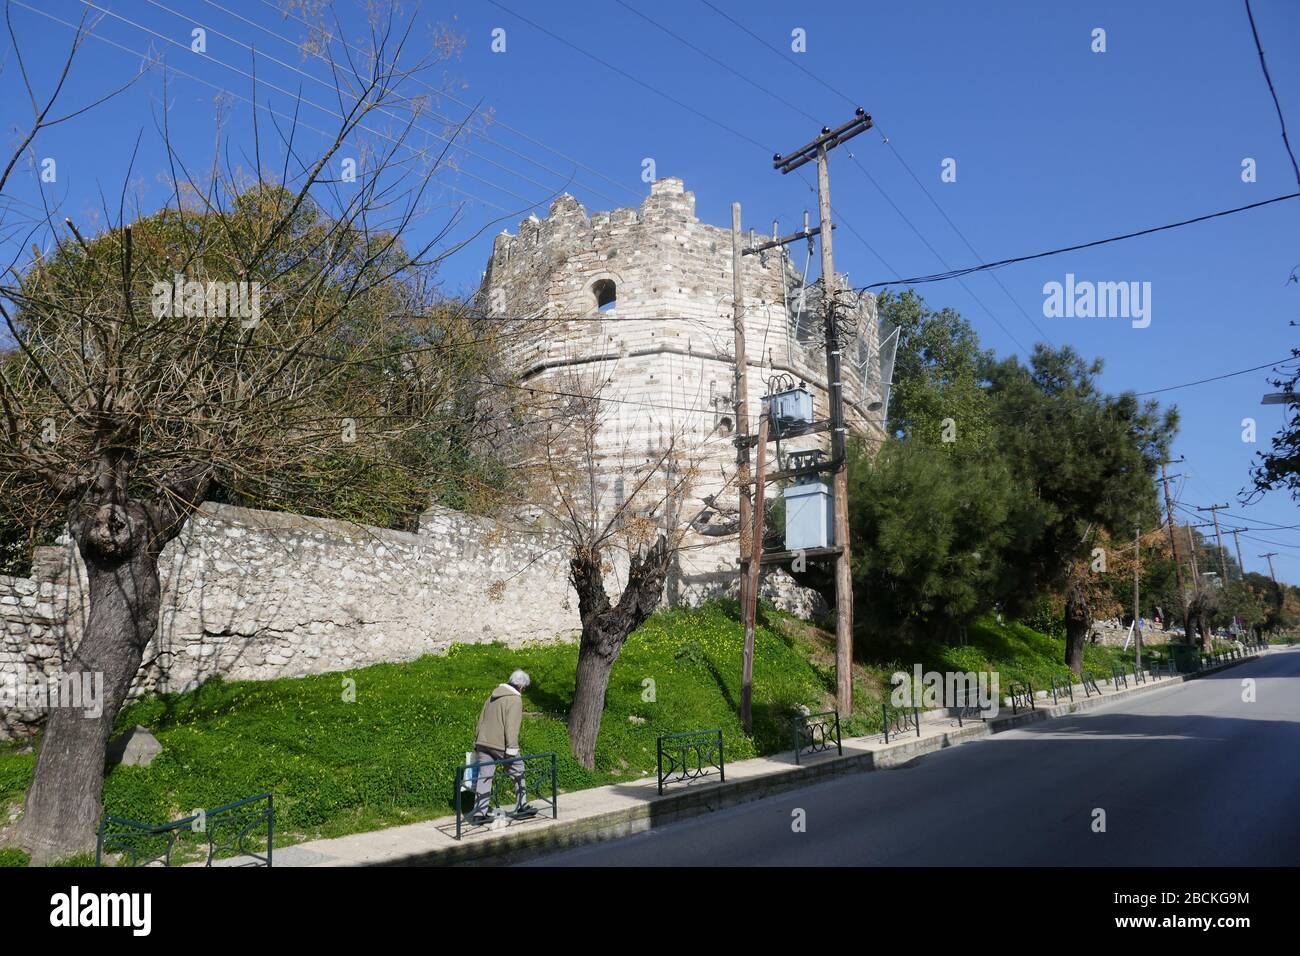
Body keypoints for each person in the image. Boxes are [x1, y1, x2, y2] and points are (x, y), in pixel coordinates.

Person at [470, 670, 536, 824]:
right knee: (518, 771)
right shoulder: (514, 700)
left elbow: (481, 720)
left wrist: (477, 740)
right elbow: (511, 728)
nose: (523, 691)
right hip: (500, 745)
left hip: (483, 742)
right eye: (524, 688)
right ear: (521, 686)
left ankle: (479, 814)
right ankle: (521, 807)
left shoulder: (492, 696)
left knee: (484, 777)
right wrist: (512, 750)